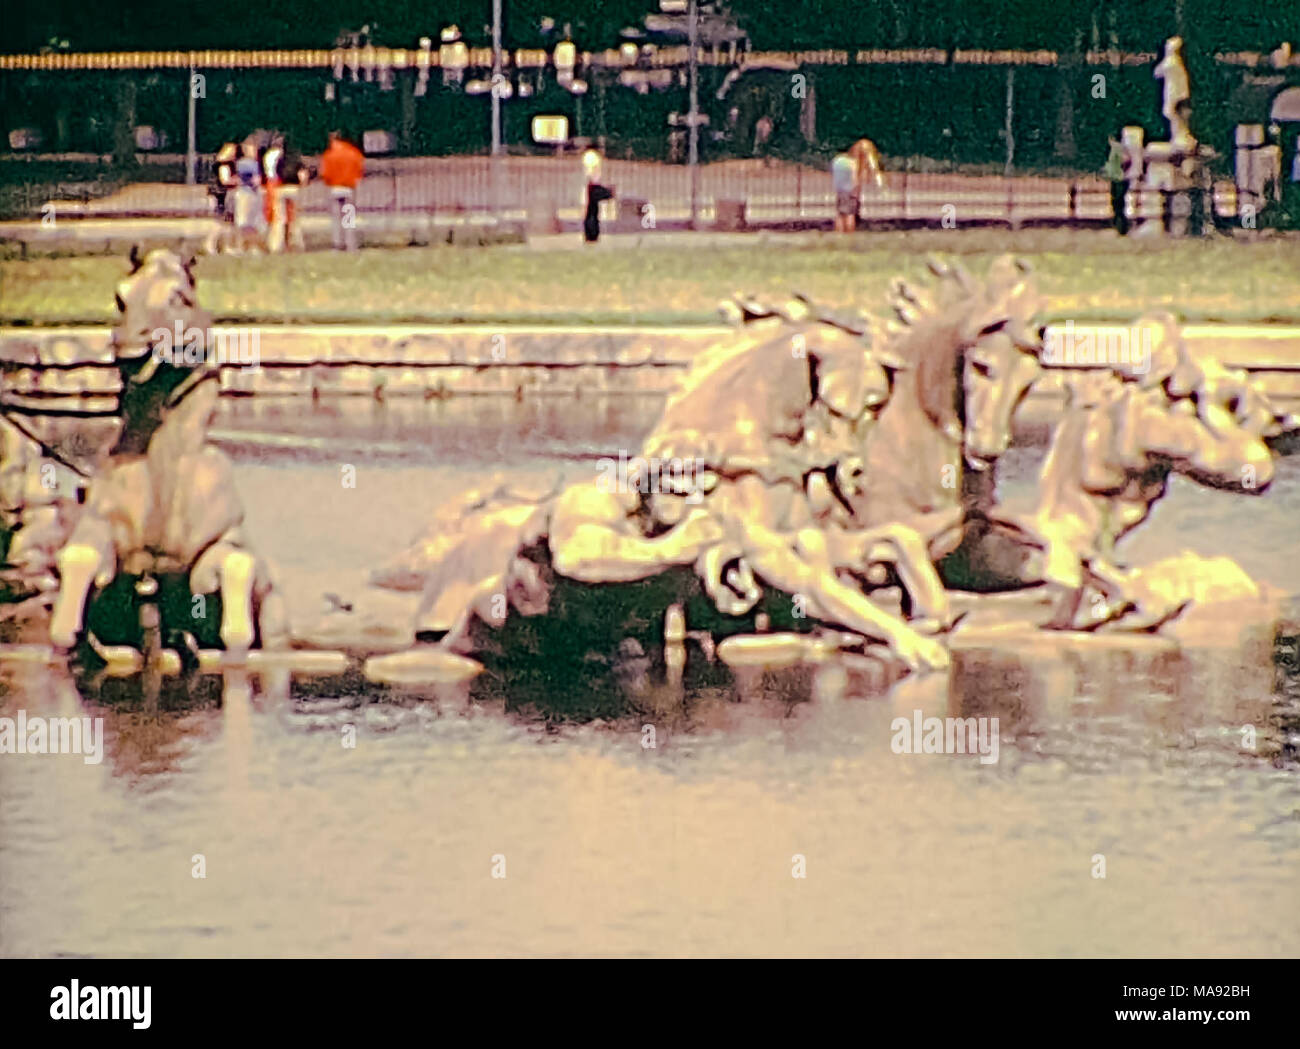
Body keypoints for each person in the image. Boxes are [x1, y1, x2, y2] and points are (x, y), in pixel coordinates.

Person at [320, 130, 364, 251]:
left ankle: (337, 244)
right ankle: (350, 244)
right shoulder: (353, 153)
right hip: (349, 188)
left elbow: (325, 174)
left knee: (336, 219)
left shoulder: (328, 155)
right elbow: (359, 169)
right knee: (348, 218)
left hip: (334, 188)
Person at [231, 140, 265, 254]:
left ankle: (247, 246)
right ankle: (247, 246)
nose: (254, 152)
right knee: (245, 222)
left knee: (249, 222)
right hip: (247, 194)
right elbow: (254, 180)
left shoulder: (251, 163)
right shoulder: (246, 163)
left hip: (249, 194)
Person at [204, 142, 238, 254]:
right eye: (232, 151)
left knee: (226, 222)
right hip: (220, 196)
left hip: (221, 195)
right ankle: (211, 245)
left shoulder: (220, 163)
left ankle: (224, 246)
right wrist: (239, 181)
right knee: (221, 223)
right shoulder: (224, 165)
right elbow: (225, 180)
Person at [581, 149, 613, 244]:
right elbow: (593, 174)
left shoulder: (589, 158)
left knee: (592, 212)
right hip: (593, 186)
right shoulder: (593, 159)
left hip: (592, 186)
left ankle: (591, 235)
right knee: (592, 213)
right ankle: (592, 235)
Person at [1104, 133, 1128, 236]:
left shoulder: (1117, 148)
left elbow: (1126, 158)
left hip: (1118, 179)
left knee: (1118, 204)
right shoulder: (1115, 148)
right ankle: (1118, 226)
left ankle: (1121, 227)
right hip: (1115, 178)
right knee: (1116, 203)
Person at [831, 150, 857, 233]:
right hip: (849, 190)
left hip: (839, 190)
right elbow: (854, 177)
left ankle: (839, 233)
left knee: (840, 214)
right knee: (850, 214)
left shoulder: (836, 161)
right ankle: (849, 233)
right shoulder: (851, 162)